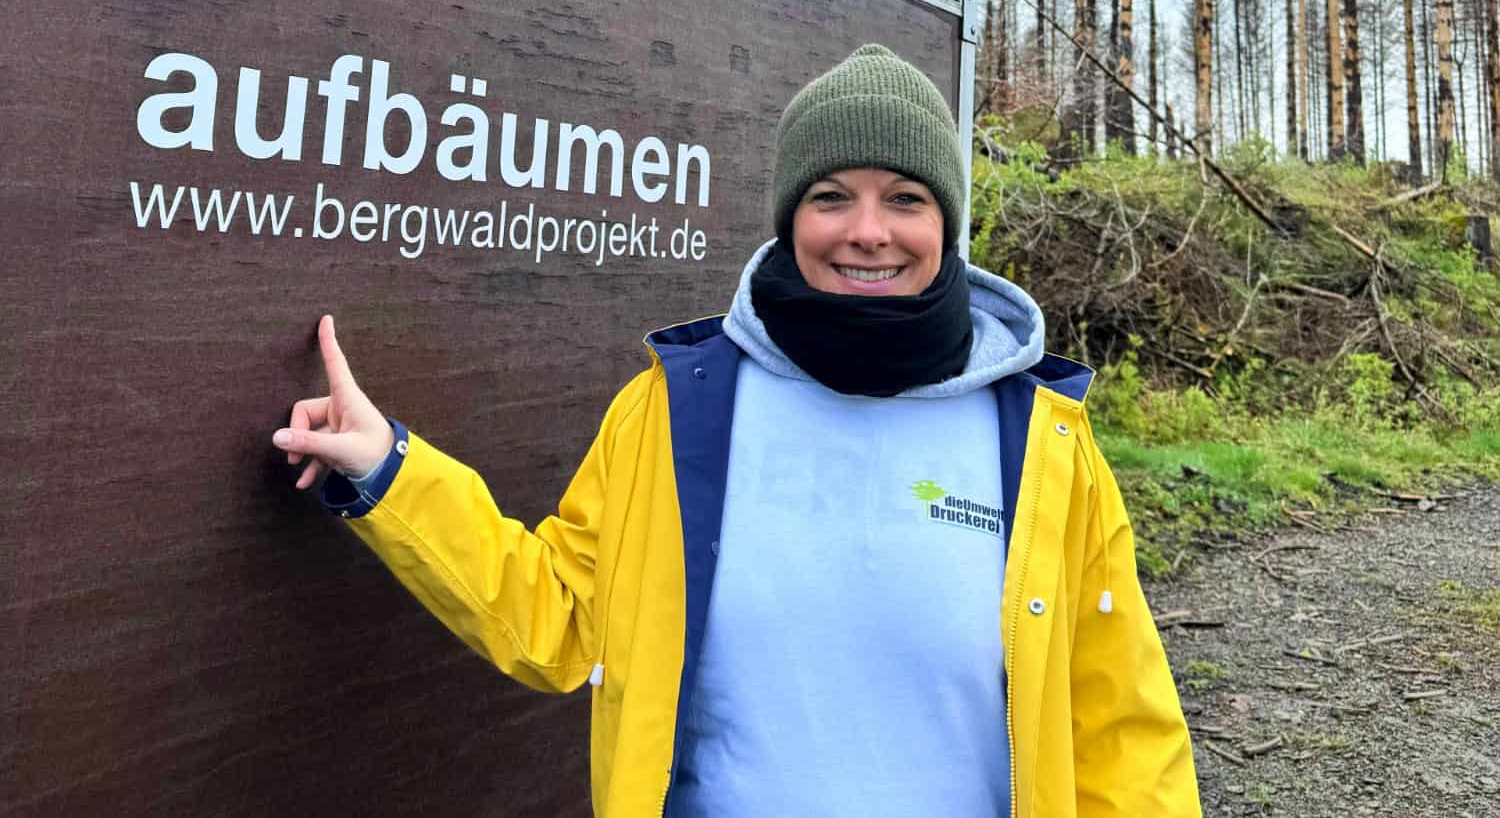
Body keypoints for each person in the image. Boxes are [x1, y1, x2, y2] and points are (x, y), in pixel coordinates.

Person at [274, 44, 1201, 818]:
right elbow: (562, 615)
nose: (868, 231)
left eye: (907, 198)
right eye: (831, 194)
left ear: (947, 223)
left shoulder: (1038, 438)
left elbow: (1125, 733)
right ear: (789, 215)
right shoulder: (684, 406)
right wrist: (390, 470)